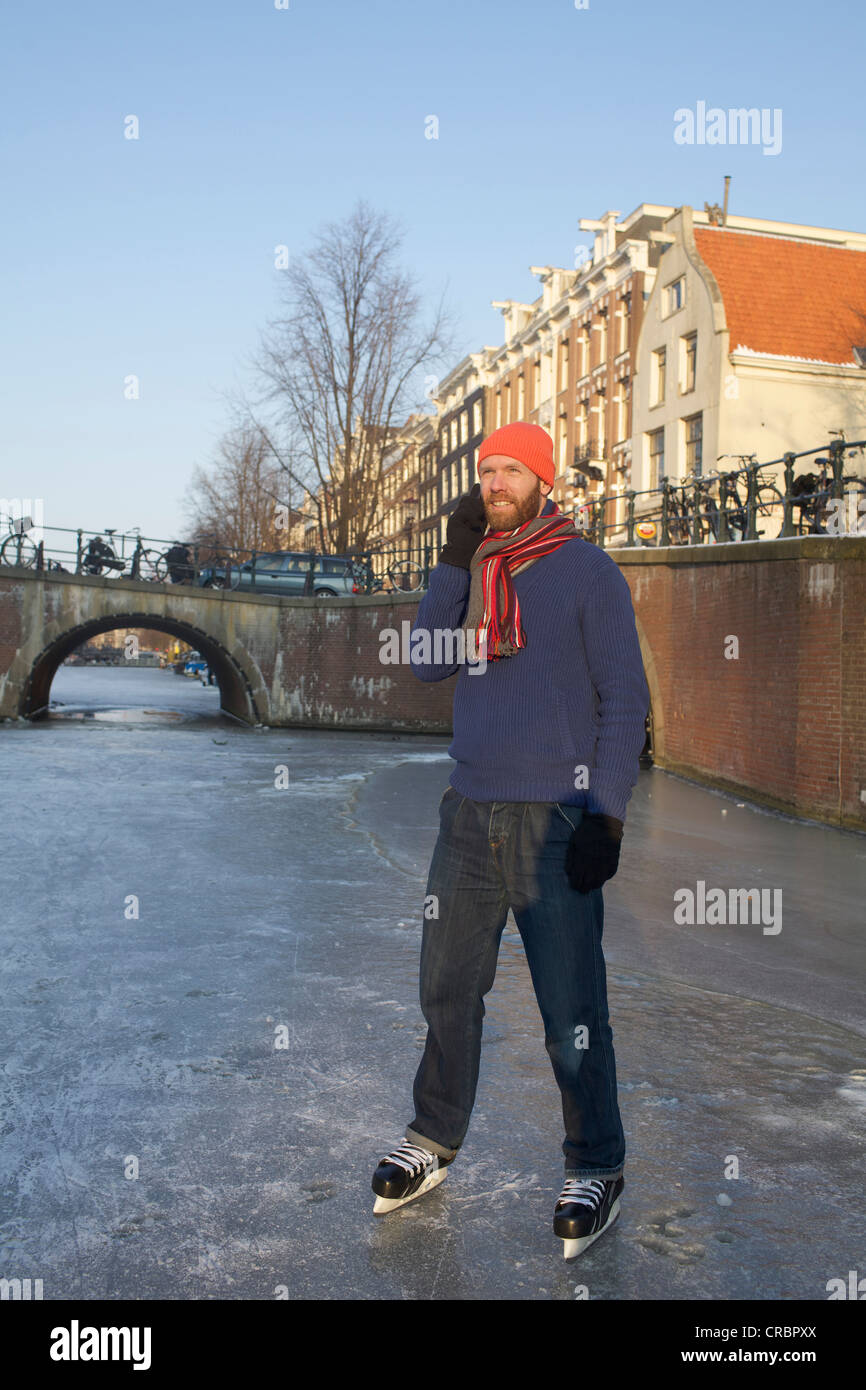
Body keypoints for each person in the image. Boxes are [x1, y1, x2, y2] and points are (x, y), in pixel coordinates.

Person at [371, 420, 650, 1260]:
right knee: (446, 987)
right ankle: (434, 1137)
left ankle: (596, 1163)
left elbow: (624, 701)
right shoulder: (473, 568)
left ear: (541, 480)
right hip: (469, 811)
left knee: (571, 1009)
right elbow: (424, 659)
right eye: (486, 469)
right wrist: (452, 562)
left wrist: (606, 815)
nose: (494, 483)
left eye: (510, 471)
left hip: (553, 820)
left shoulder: (587, 571)